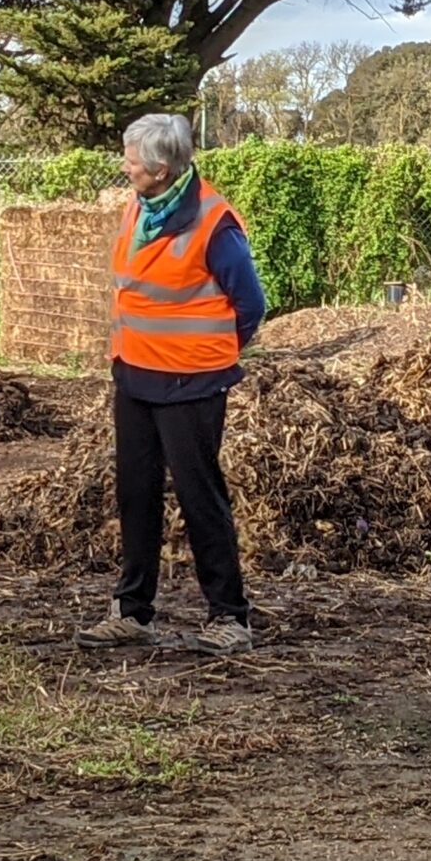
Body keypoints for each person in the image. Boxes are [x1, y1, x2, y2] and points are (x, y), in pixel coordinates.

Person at [74, 114, 268, 657]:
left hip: (191, 382)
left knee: (199, 495)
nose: (125, 167)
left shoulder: (214, 223)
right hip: (134, 373)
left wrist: (210, 353)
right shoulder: (139, 205)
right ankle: (132, 613)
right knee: (135, 493)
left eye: (132, 160)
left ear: (161, 170)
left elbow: (250, 305)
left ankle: (229, 616)